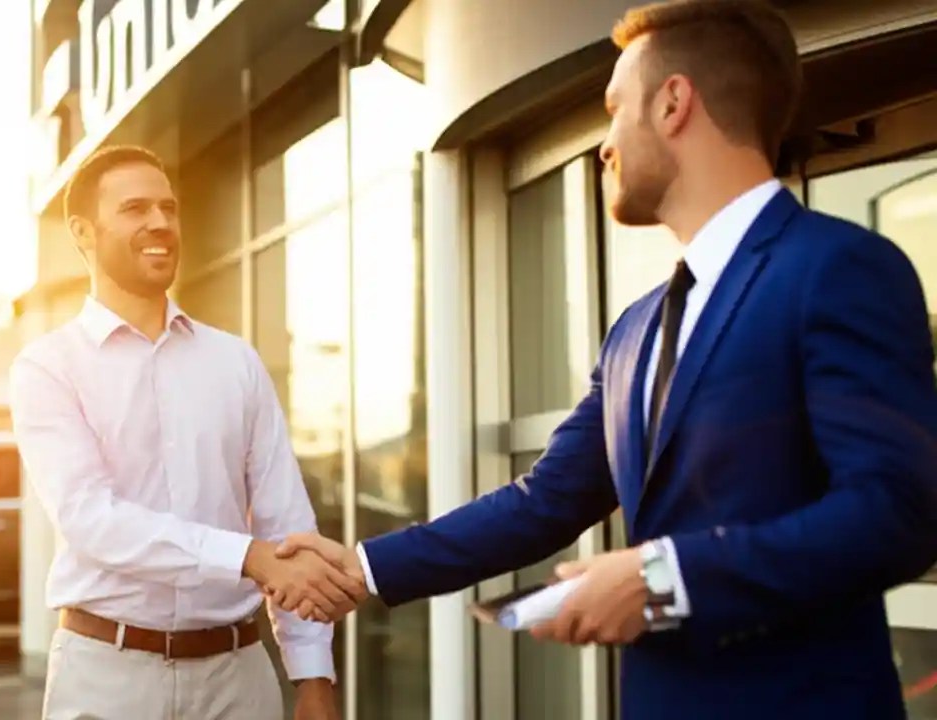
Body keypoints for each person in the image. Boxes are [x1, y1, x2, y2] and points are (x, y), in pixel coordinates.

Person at [272, 1, 937, 718]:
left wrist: (666, 578)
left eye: (616, 108)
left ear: (675, 102)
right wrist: (364, 568)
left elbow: (898, 512)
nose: (604, 144)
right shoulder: (636, 328)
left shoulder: (841, 268)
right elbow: (544, 501)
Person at [9, 145, 360, 720]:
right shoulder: (48, 368)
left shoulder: (235, 363)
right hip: (107, 677)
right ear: (83, 231)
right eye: (135, 209)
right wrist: (247, 557)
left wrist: (313, 672)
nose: (160, 223)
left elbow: (285, 521)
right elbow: (93, 519)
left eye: (169, 208)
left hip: (236, 679)